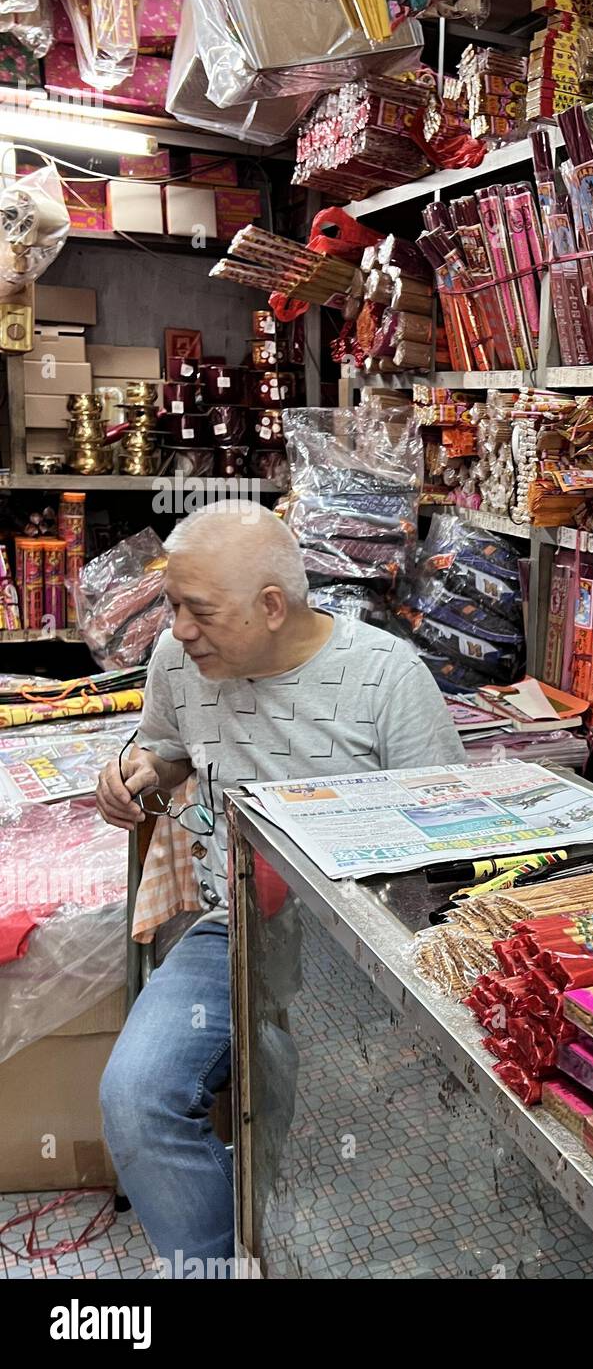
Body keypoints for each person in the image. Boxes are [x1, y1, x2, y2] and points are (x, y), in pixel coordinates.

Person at [95, 501, 464, 1273]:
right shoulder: (176, 659)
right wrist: (138, 775)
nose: (179, 630)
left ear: (272, 607)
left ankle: (297, 1233)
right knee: (137, 1099)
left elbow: (450, 849)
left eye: (199, 611)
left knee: (315, 1119)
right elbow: (165, 750)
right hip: (235, 928)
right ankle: (225, 1264)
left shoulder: (386, 677)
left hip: (366, 944)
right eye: (171, 605)